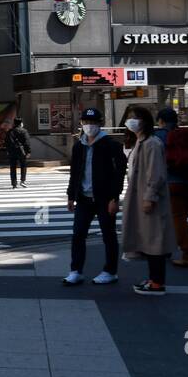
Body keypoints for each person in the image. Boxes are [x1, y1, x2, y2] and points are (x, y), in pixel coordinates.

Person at [63, 109, 126, 286]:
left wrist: (115, 197)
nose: (89, 126)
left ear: (100, 123)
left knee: (108, 235)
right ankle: (76, 271)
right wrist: (70, 195)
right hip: (83, 198)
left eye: (93, 122)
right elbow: (74, 173)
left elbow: (119, 172)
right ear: (81, 123)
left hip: (105, 199)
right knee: (78, 235)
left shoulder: (111, 145)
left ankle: (110, 271)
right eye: (85, 122)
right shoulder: (78, 146)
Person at [121, 106, 177, 296]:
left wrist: (149, 197)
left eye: (135, 117)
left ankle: (157, 283)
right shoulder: (141, 142)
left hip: (149, 200)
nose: (131, 121)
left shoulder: (151, 143)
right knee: (148, 240)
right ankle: (154, 279)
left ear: (145, 120)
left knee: (154, 241)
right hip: (141, 198)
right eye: (129, 118)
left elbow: (156, 174)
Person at [155, 107, 188, 269]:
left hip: (171, 183)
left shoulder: (158, 136)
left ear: (161, 121)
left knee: (177, 219)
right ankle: (168, 247)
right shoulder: (187, 135)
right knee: (180, 218)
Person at [6, 117, 31, 188]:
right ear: (21, 123)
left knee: (13, 167)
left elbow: (7, 142)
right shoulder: (24, 131)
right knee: (23, 166)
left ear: (14, 123)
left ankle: (14, 183)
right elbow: (27, 142)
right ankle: (22, 181)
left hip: (12, 151)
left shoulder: (10, 132)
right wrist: (28, 151)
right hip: (22, 151)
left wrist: (8, 150)